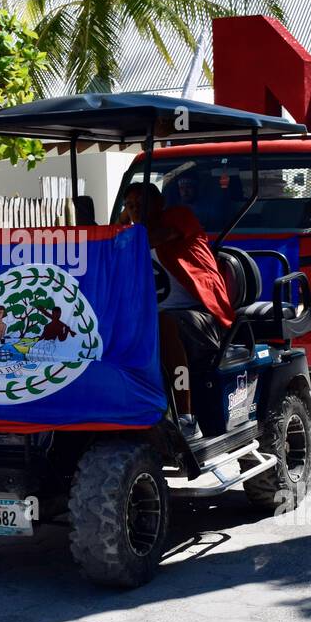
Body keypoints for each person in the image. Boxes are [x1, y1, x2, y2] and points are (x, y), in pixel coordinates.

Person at [119, 181, 233, 441]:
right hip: (154, 317)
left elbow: (158, 236)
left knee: (163, 323)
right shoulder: (132, 238)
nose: (136, 210)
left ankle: (186, 414)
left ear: (158, 204)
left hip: (201, 317)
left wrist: (123, 223)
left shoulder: (177, 218)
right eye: (131, 206)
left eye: (141, 204)